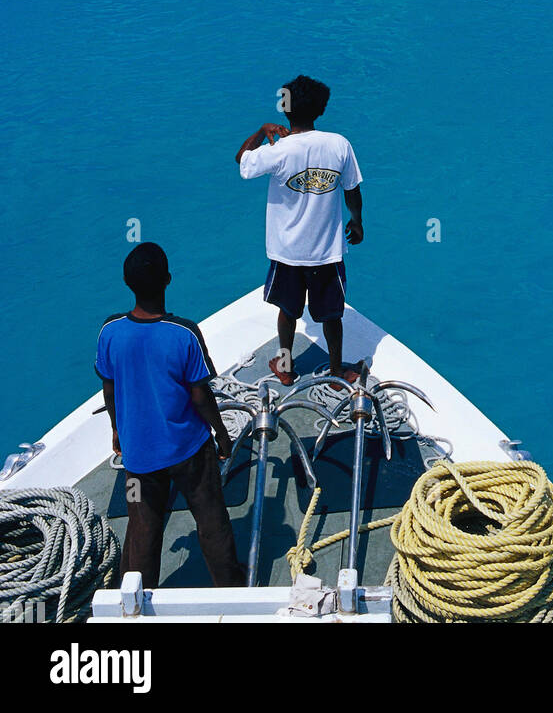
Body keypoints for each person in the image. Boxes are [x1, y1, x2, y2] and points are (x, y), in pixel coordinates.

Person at [95, 243, 245, 589]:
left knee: (141, 526)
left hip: (138, 459)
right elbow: (200, 395)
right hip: (190, 452)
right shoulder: (184, 334)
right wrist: (221, 434)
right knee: (211, 521)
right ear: (167, 280)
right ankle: (231, 591)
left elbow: (110, 389)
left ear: (125, 281)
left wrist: (118, 431)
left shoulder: (109, 332)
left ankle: (135, 597)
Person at [235, 74, 364, 389]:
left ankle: (285, 367)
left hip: (287, 253)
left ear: (284, 109)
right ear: (321, 110)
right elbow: (352, 189)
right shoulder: (339, 145)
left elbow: (242, 162)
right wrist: (356, 220)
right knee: (332, 315)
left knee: (288, 311)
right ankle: (336, 373)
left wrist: (261, 131)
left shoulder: (278, 151)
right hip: (326, 253)